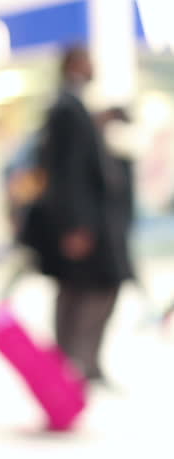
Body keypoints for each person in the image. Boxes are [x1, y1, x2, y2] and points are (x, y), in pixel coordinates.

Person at [20, 46, 133, 384]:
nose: (94, 66)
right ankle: (72, 363)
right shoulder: (65, 107)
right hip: (82, 222)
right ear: (74, 64)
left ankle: (80, 362)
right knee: (81, 289)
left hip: (93, 219)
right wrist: (74, 225)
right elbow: (64, 172)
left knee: (90, 287)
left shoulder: (77, 105)